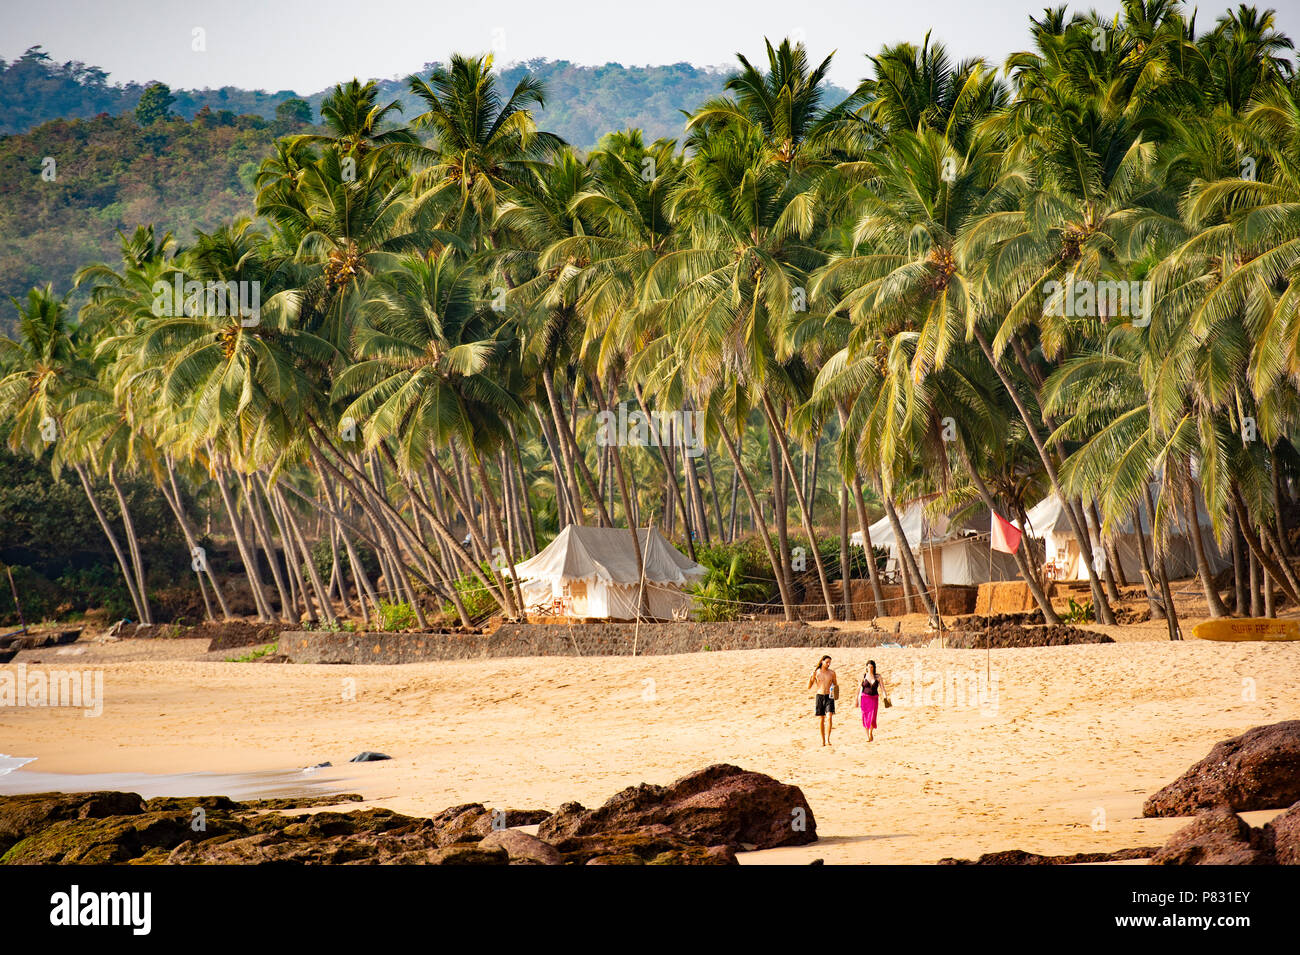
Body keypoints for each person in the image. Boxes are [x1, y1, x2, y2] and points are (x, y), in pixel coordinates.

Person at [807, 655, 839, 746]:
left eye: (830, 662)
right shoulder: (816, 672)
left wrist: (836, 695)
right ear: (822, 661)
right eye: (827, 662)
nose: (828, 664)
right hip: (820, 696)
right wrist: (811, 677)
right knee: (821, 719)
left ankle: (828, 739)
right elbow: (808, 687)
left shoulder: (832, 673)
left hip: (829, 696)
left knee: (829, 717)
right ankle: (823, 740)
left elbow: (836, 684)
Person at [859, 660, 882, 742]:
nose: (870, 668)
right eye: (868, 667)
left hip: (874, 698)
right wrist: (856, 699)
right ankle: (867, 735)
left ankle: (870, 732)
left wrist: (886, 697)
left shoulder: (878, 676)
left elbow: (882, 688)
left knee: (872, 716)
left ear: (874, 667)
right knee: (865, 716)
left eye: (872, 667)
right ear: (866, 667)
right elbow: (859, 688)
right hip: (865, 698)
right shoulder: (864, 676)